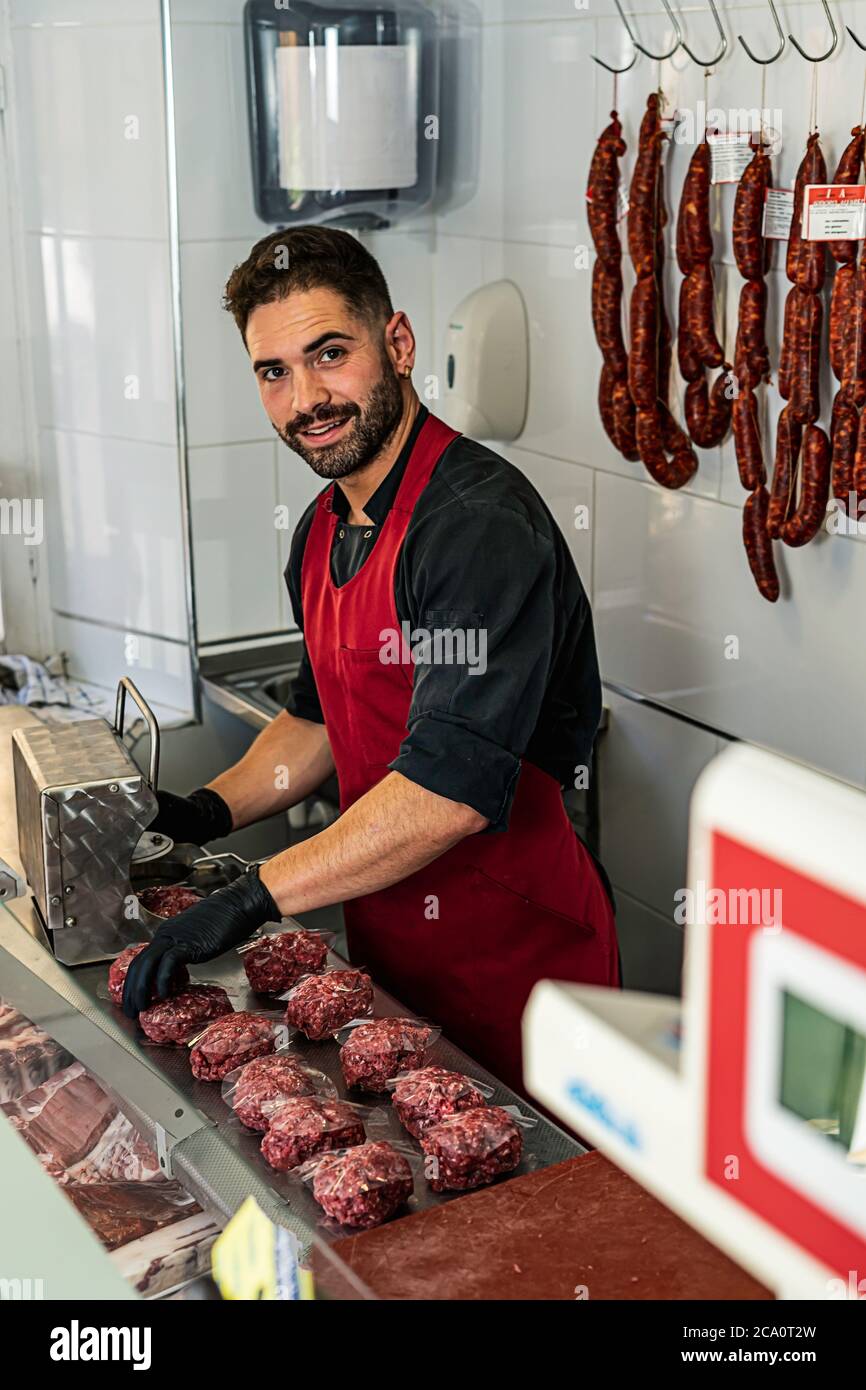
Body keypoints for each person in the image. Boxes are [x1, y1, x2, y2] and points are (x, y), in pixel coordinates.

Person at [123, 226, 619, 1094]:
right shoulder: (322, 531)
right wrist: (197, 815)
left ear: (396, 345)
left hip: (520, 965)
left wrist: (252, 897)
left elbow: (447, 793)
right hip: (392, 950)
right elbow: (320, 720)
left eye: (329, 354)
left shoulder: (474, 525)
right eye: (274, 372)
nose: (306, 397)